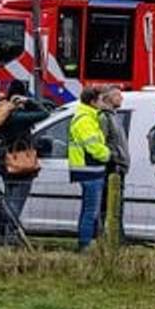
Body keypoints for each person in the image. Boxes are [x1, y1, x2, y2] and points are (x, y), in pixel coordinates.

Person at [0, 81, 51, 246]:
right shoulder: (18, 117)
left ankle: (7, 233)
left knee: (9, 198)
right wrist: (28, 102)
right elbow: (44, 113)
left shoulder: (3, 112)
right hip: (20, 163)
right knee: (16, 202)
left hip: (5, 161)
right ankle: (9, 236)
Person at [68, 87, 111, 250]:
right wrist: (108, 154)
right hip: (89, 169)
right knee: (91, 211)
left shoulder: (89, 117)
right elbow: (93, 146)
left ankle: (85, 243)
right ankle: (84, 245)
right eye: (100, 100)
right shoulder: (85, 119)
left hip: (90, 169)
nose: (102, 103)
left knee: (89, 209)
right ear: (93, 102)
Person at [98, 85, 130, 240]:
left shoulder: (114, 116)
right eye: (118, 95)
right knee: (110, 203)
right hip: (112, 167)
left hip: (119, 166)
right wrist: (113, 157)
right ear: (108, 97)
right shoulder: (105, 117)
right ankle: (111, 236)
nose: (121, 98)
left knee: (117, 203)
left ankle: (118, 235)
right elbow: (102, 142)